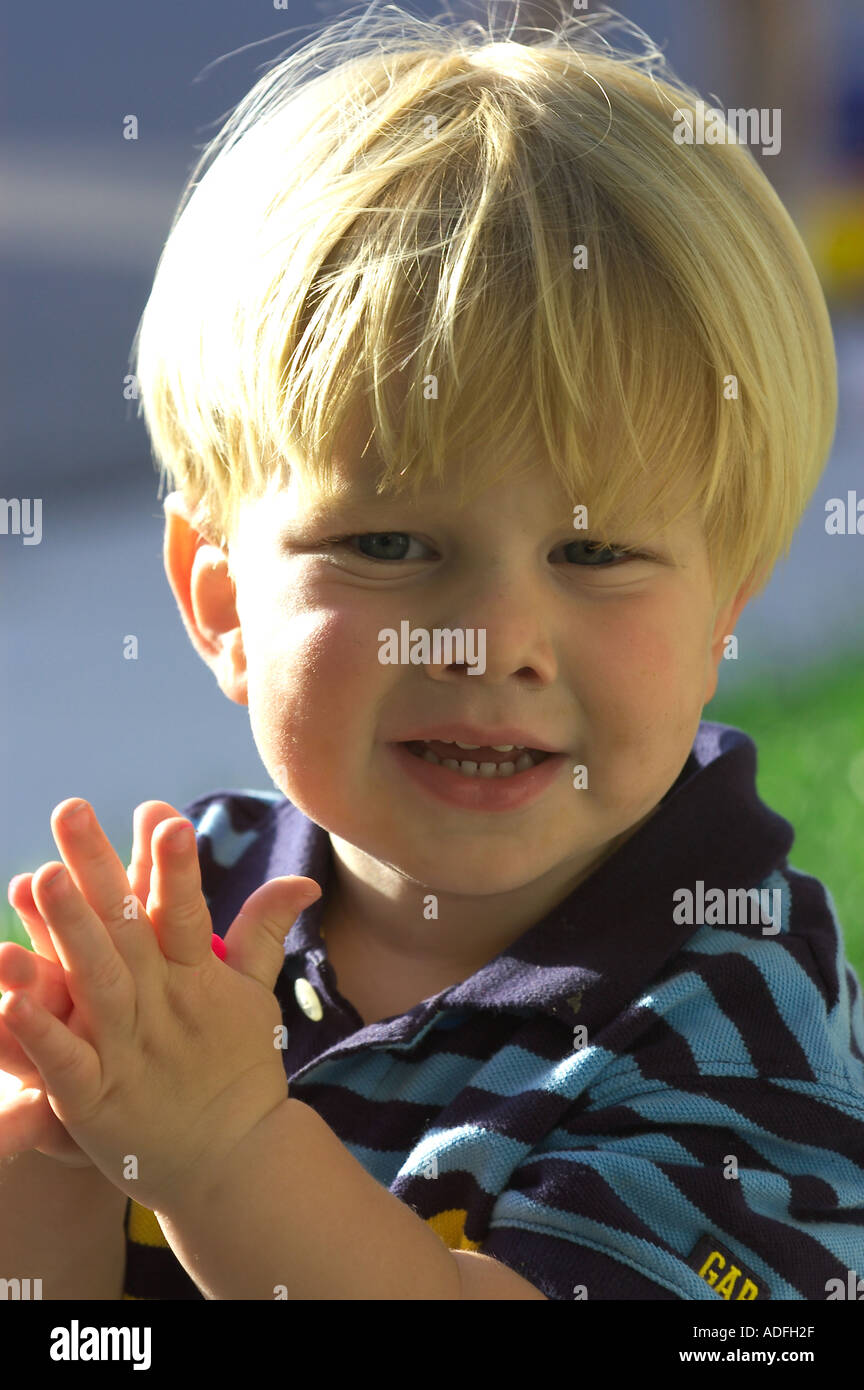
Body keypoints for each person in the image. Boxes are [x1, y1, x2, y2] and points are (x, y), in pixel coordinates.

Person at [1, 5, 862, 1302]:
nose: (492, 639)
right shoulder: (194, 921)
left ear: (725, 607)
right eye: (393, 543)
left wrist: (218, 1150)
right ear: (221, 603)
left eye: (593, 555)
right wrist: (50, 1149)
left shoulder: (736, 1021)